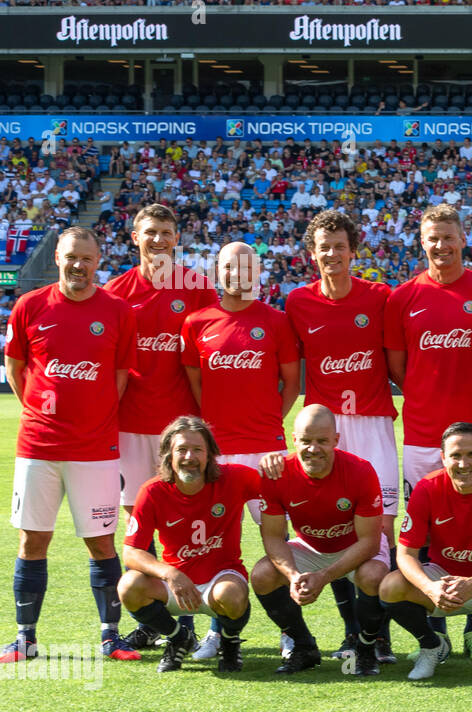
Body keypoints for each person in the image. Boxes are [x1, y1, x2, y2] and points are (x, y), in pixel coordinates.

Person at [3, 226, 140, 664]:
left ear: (98, 262)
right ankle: (25, 638)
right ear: (56, 258)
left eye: (87, 258)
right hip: (38, 448)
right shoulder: (29, 306)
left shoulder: (117, 311)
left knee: (101, 542)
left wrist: (90, 418)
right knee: (33, 540)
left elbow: (119, 378)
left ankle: (110, 636)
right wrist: (43, 415)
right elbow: (15, 367)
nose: (78, 265)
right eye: (70, 257)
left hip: (96, 450)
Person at [384, 204, 472, 662]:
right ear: (421, 241)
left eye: (448, 237)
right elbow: (398, 369)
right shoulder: (403, 298)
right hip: (422, 435)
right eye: (433, 238)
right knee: (427, 534)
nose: (441, 245)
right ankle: (435, 623)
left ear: (462, 238)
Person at [286, 210, 398, 664]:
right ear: (312, 254)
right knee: (329, 534)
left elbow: (397, 365)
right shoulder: (298, 302)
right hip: (325, 430)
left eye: (339, 246)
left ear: (354, 251)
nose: (332, 254)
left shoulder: (380, 297)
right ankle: (353, 634)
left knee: (381, 531)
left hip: (372, 423)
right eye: (323, 247)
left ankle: (380, 634)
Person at [181, 241, 299, 661]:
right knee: (216, 544)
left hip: (267, 450)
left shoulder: (277, 321)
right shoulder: (197, 322)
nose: (238, 273)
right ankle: (219, 632)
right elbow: (197, 386)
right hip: (219, 453)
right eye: (230, 266)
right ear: (219, 271)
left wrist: (270, 423)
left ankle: (290, 631)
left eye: (246, 266)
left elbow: (291, 383)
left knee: (278, 542)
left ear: (258, 272)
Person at [108, 204, 217, 652]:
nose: (158, 239)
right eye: (150, 232)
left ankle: (194, 616)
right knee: (138, 521)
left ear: (177, 239)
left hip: (182, 431)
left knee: (188, 523)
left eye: (166, 233)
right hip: (131, 427)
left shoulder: (197, 289)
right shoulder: (116, 292)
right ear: (135, 237)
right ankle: (159, 618)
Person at [379, 422, 472, 681]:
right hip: (444, 580)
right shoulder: (427, 488)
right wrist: (430, 588)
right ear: (443, 457)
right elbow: (405, 554)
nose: (463, 464)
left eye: (471, 454)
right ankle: (431, 645)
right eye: (455, 456)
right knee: (390, 587)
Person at [250, 405, 389, 676]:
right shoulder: (277, 473)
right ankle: (303, 647)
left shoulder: (360, 471)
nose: (313, 449)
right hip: (310, 546)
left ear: (336, 441)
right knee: (262, 575)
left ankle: (365, 647)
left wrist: (323, 576)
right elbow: (273, 536)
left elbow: (370, 542)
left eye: (322, 441)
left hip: (355, 546)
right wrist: (292, 577)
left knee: (373, 575)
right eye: (306, 441)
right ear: (294, 440)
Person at [118, 417, 261, 673]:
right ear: (168, 455)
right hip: (176, 584)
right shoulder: (152, 491)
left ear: (210, 455)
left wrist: (277, 465)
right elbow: (131, 552)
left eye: (197, 449)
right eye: (181, 449)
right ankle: (178, 638)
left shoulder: (234, 478)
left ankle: (229, 642)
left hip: (221, 578)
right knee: (129, 586)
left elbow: (280, 486)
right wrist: (170, 573)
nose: (189, 457)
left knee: (231, 596)